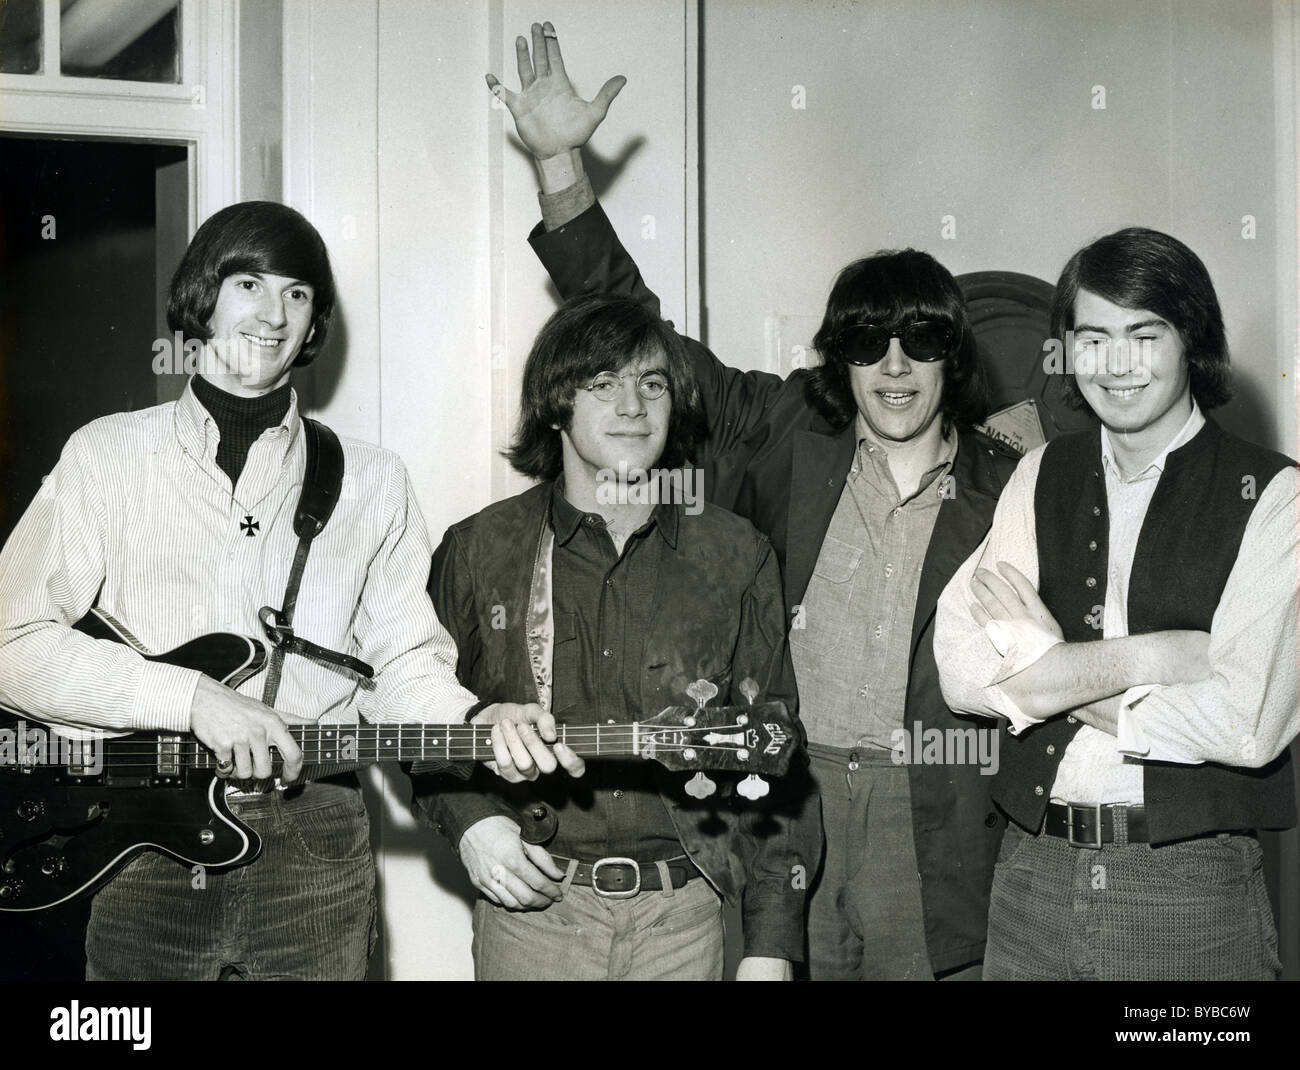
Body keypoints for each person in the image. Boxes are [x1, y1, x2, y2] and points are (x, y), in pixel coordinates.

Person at [481, 22, 1021, 980]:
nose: (893, 371)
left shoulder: (1008, 482)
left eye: (918, 345)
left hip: (929, 814)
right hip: (780, 797)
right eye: (867, 345)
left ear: (953, 356)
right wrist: (561, 165)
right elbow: (636, 336)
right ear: (837, 358)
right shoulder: (782, 433)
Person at [0, 200, 564, 981]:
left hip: (316, 848)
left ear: (313, 323)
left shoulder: (372, 480)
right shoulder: (104, 458)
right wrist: (193, 698)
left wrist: (476, 719)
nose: (272, 315)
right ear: (203, 295)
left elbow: (404, 665)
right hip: (142, 848)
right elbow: (10, 644)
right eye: (249, 284)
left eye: (296, 293)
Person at [410, 293, 819, 981]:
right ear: (554, 403)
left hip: (687, 920)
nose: (634, 406)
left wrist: (770, 946)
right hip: (535, 917)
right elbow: (418, 715)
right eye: (604, 384)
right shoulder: (481, 549)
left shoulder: (735, 553)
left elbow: (775, 753)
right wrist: (473, 822)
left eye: (652, 384)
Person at [934, 226, 1299, 980]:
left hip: (1187, 890)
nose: (1116, 364)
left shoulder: (1275, 495)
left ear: (1191, 340)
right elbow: (962, 670)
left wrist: (1047, 675)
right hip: (1030, 873)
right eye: (1092, 337)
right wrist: (1152, 656)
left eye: (1144, 333)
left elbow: (1249, 723)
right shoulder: (1040, 473)